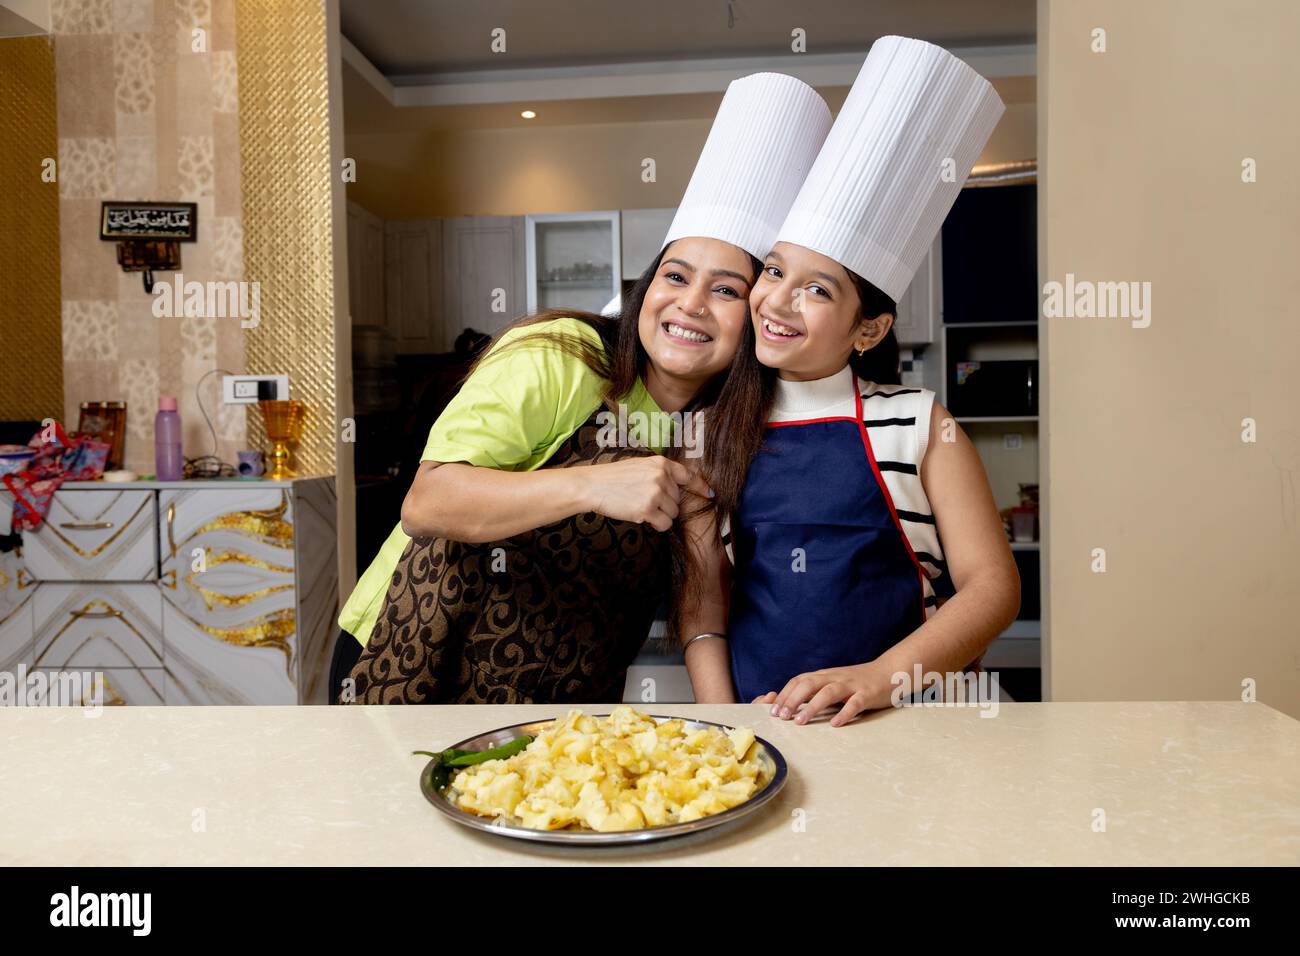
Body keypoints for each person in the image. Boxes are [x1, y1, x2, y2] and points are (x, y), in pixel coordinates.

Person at [336, 72, 832, 704]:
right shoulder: (564, 356)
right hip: (413, 657)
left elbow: (700, 600)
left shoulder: (716, 433)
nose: (691, 304)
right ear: (646, 290)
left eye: (727, 289)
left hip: (565, 698)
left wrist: (733, 727)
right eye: (675, 276)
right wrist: (595, 483)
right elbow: (429, 503)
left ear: (756, 316)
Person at [680, 37, 1021, 726]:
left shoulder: (922, 423)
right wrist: (726, 726)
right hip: (767, 726)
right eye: (773, 272)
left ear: (869, 329)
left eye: (816, 290)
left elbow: (993, 589)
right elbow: (702, 607)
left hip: (918, 719)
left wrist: (878, 678)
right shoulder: (711, 430)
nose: (776, 302)